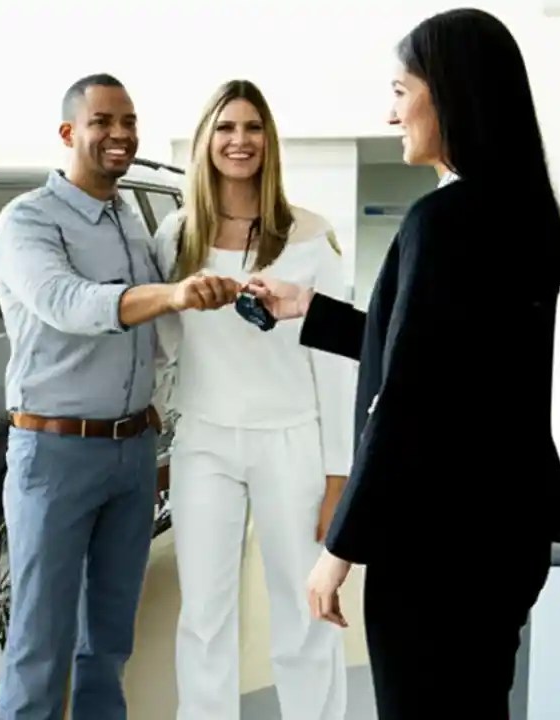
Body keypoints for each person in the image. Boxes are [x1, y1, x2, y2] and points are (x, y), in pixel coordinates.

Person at [242, 9, 560, 718]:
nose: (390, 113)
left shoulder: (443, 221)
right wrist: (313, 308)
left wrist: (340, 547)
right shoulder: (521, 216)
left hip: (437, 544)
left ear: (450, 93)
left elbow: (410, 398)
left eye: (400, 91)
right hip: (503, 533)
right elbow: (445, 357)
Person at [0, 72, 239, 720]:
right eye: (102, 121)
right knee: (39, 643)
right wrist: (172, 294)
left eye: (128, 121)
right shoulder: (28, 220)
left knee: (107, 641)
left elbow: (164, 335)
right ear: (68, 131)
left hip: (132, 452)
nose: (120, 134)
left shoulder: (129, 221)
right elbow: (67, 302)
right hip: (55, 454)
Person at [150, 79, 355, 720]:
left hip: (292, 440)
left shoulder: (310, 236)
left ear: (270, 140)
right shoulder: (176, 236)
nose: (240, 141)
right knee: (204, 617)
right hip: (204, 441)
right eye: (226, 127)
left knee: (304, 609)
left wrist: (338, 475)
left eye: (253, 127)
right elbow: (162, 346)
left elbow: (338, 364)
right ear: (205, 141)